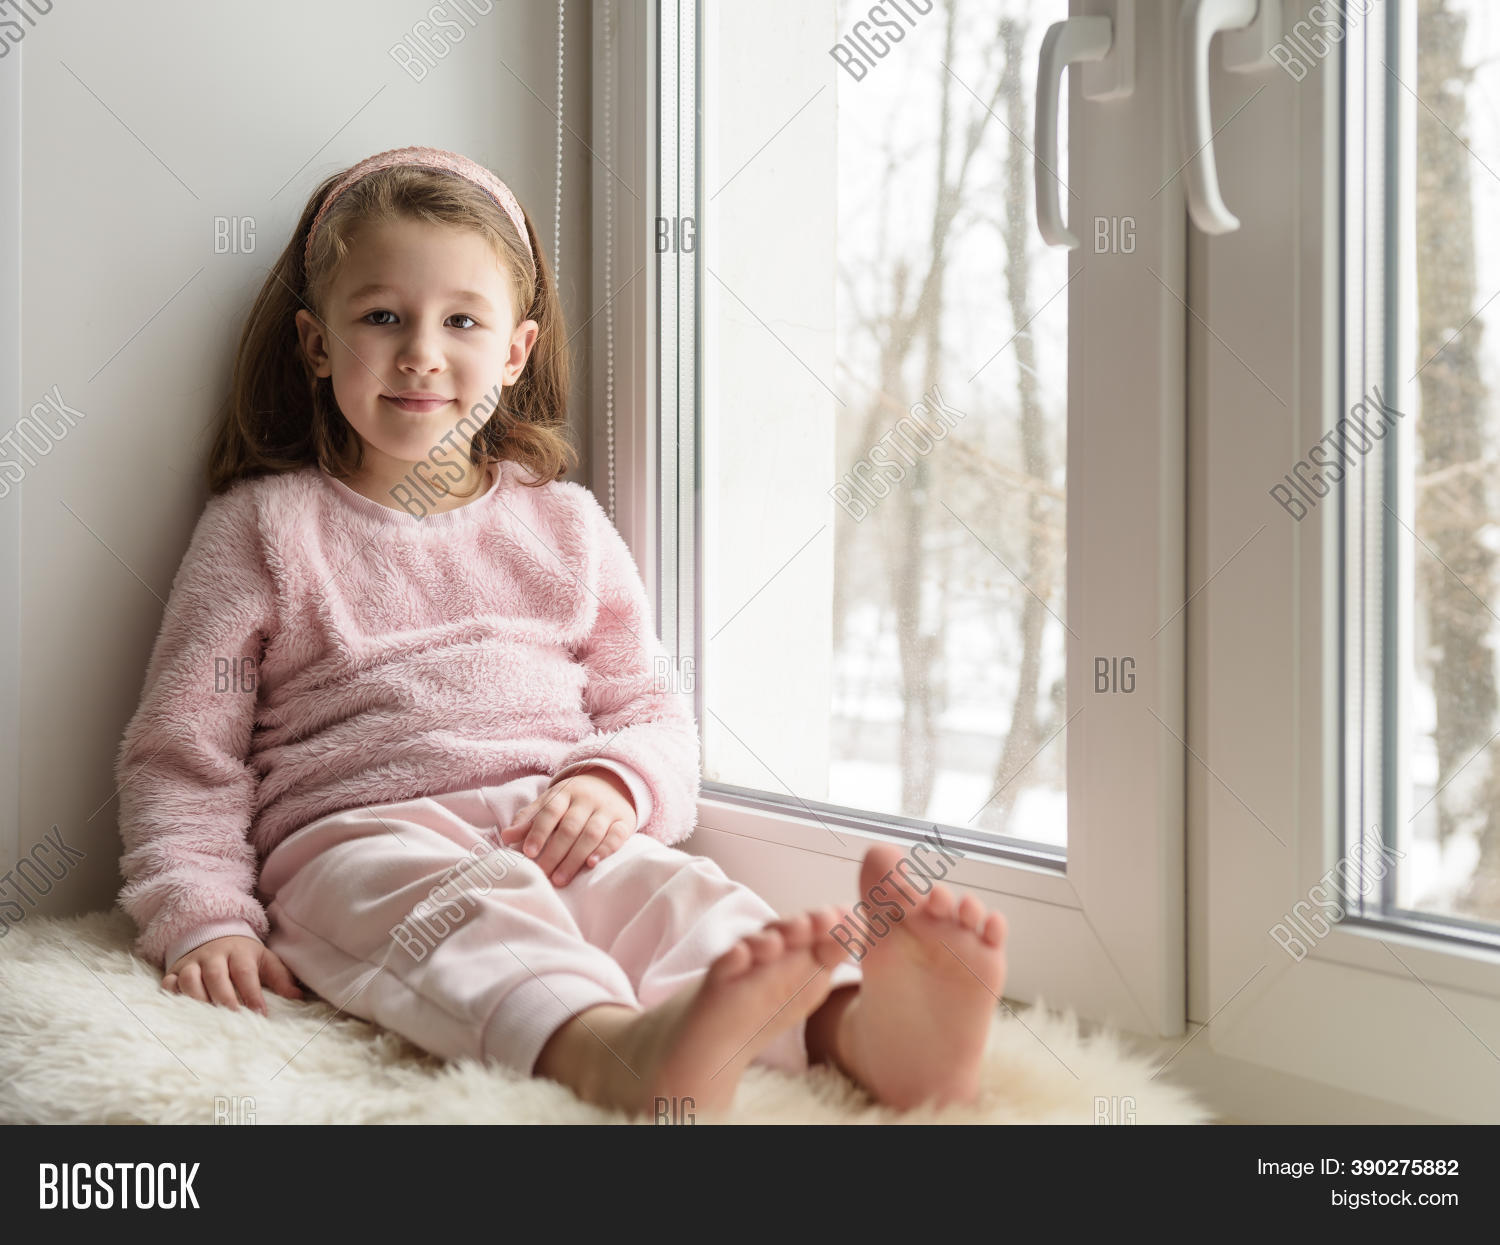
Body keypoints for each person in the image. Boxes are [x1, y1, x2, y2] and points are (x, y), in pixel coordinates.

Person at [115, 146, 1008, 1117]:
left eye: (462, 321)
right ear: (317, 342)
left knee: (677, 898)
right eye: (382, 317)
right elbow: (180, 760)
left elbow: (653, 710)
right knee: (473, 931)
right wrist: (203, 918)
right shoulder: (264, 528)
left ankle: (859, 1029)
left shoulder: (564, 525)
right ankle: (617, 1052)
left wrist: (611, 783)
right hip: (359, 844)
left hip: (552, 822)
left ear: (514, 353)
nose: (421, 351)